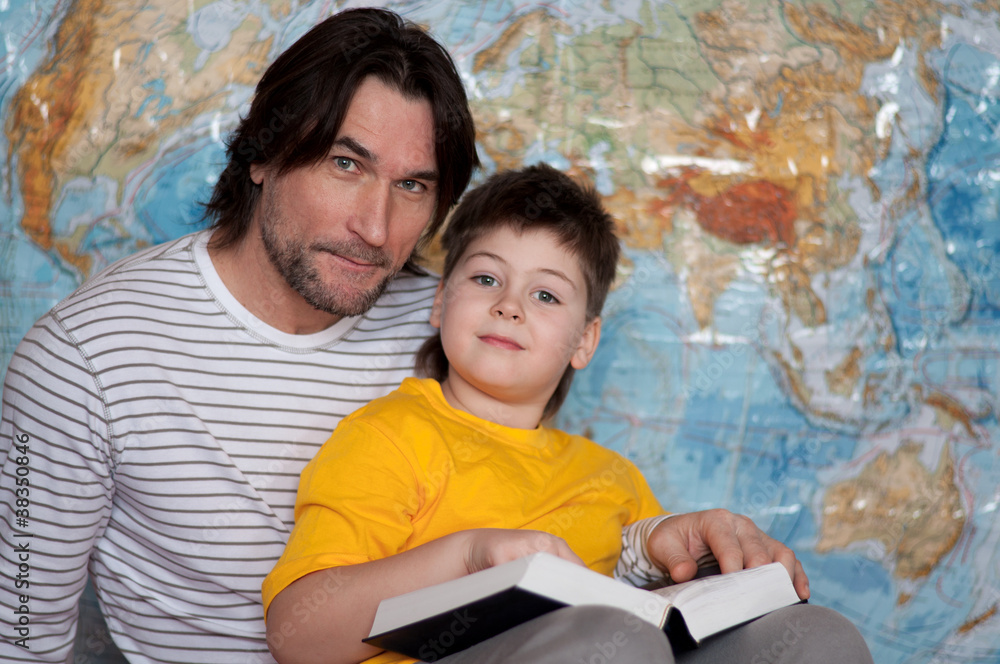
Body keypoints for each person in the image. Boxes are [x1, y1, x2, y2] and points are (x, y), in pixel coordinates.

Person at [0, 6, 857, 664]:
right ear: (261, 154)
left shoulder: (455, 317)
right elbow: (19, 637)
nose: (375, 227)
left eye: (414, 186)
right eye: (346, 163)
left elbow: (548, 504)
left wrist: (663, 540)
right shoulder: (82, 361)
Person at [261, 164, 874, 664]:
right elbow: (297, 634)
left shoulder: (611, 477)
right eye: (485, 279)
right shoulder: (387, 438)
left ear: (586, 340)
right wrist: (468, 555)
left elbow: (656, 599)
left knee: (819, 638)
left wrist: (681, 549)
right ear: (440, 302)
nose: (509, 306)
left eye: (546, 294)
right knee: (608, 646)